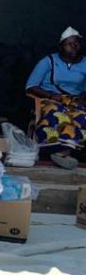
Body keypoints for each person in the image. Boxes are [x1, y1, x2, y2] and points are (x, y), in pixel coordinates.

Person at [25, 26, 86, 169]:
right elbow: (31, 86)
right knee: (58, 113)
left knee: (81, 115)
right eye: (69, 44)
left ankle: (71, 150)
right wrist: (53, 96)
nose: (73, 47)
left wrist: (82, 100)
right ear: (61, 46)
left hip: (74, 100)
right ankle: (60, 152)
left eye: (76, 43)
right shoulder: (48, 61)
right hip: (50, 99)